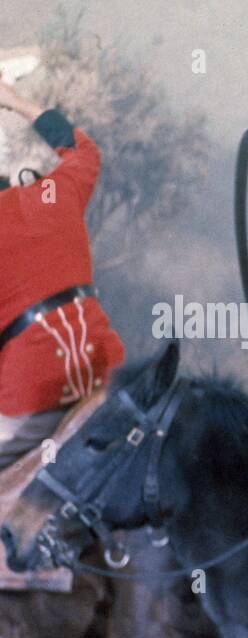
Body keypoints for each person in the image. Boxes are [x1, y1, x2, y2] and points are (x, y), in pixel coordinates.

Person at [0, 81, 125, 471]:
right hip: (105, 363)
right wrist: (15, 100)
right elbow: (84, 150)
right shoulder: (55, 191)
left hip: (33, 385)